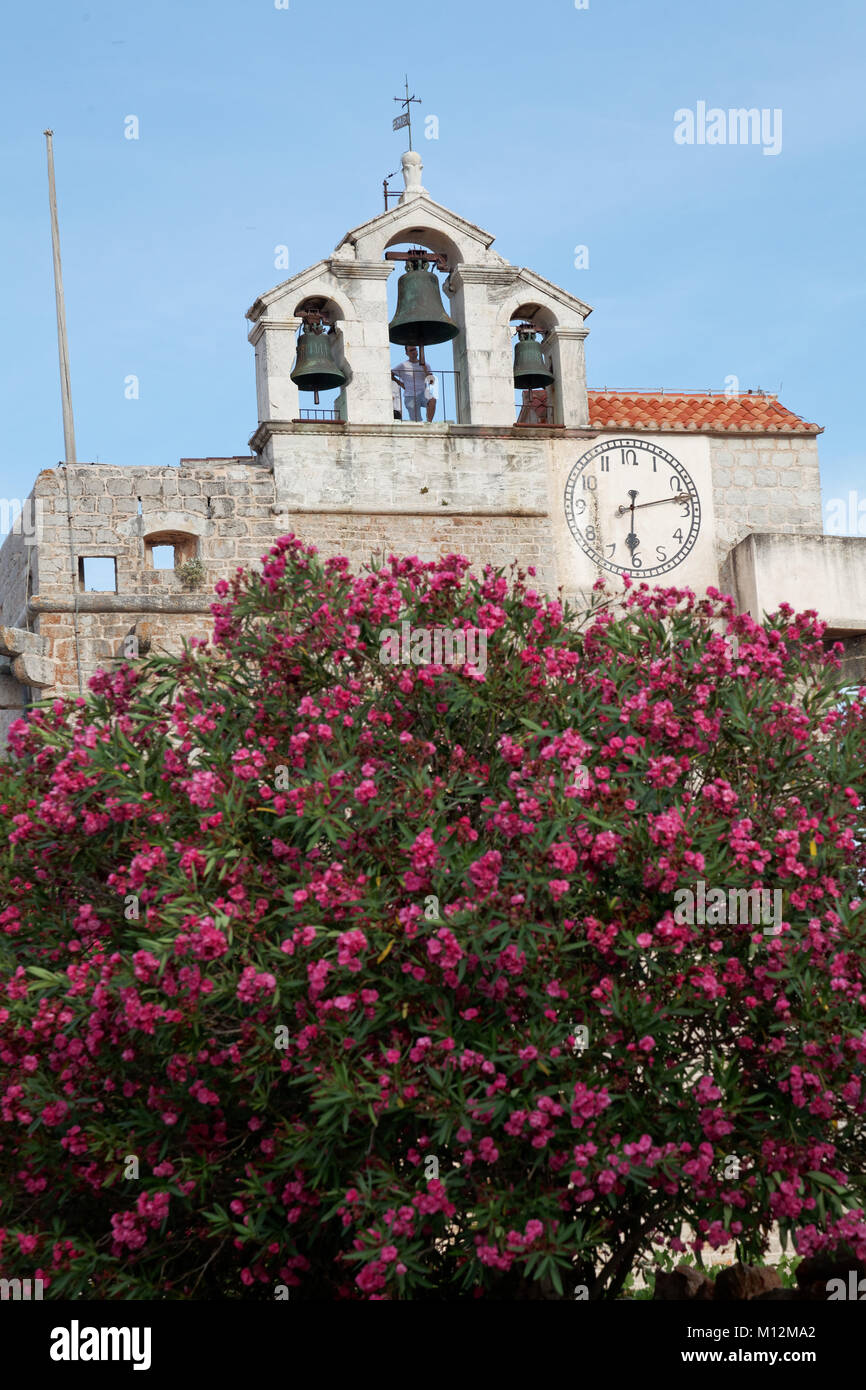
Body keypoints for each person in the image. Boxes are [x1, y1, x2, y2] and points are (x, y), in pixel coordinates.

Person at [391, 346, 428, 422]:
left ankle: (430, 422)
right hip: (410, 396)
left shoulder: (425, 365)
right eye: (411, 350)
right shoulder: (403, 365)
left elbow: (431, 380)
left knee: (432, 400)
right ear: (407, 353)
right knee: (416, 421)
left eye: (415, 349)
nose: (414, 351)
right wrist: (401, 384)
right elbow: (390, 374)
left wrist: (424, 368)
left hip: (423, 394)